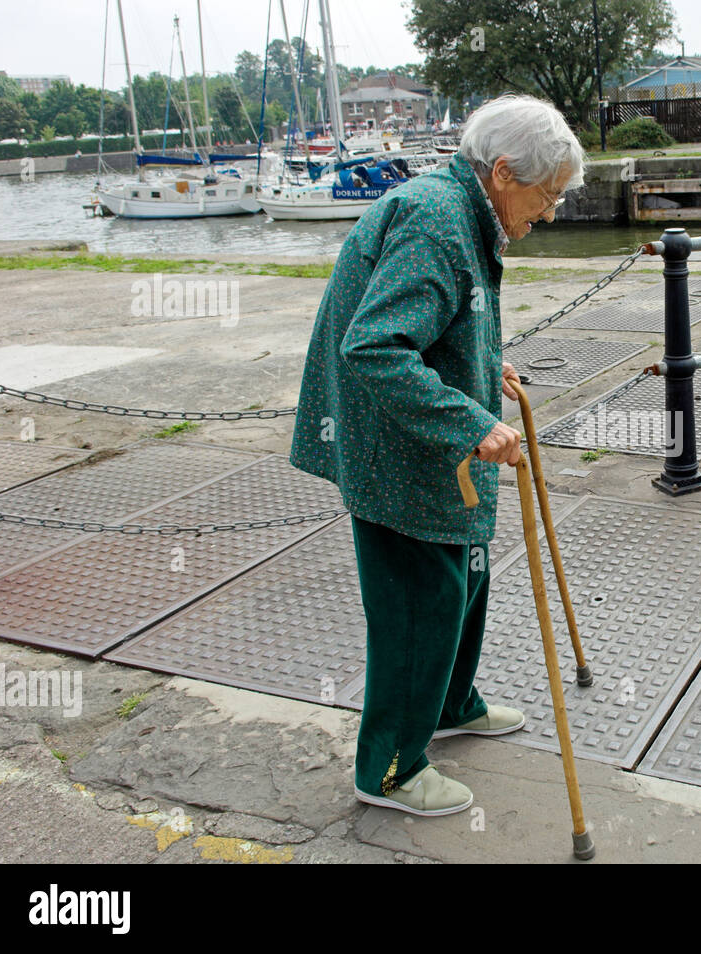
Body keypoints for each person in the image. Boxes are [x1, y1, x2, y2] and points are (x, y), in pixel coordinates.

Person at [289, 94, 583, 817]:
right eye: (547, 196)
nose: (549, 213)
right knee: (421, 602)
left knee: (465, 575)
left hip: (423, 438)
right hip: (398, 444)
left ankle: (450, 701)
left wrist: (485, 363)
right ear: (505, 172)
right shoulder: (440, 219)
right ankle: (390, 769)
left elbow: (439, 319)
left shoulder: (463, 208)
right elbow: (377, 345)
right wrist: (466, 420)